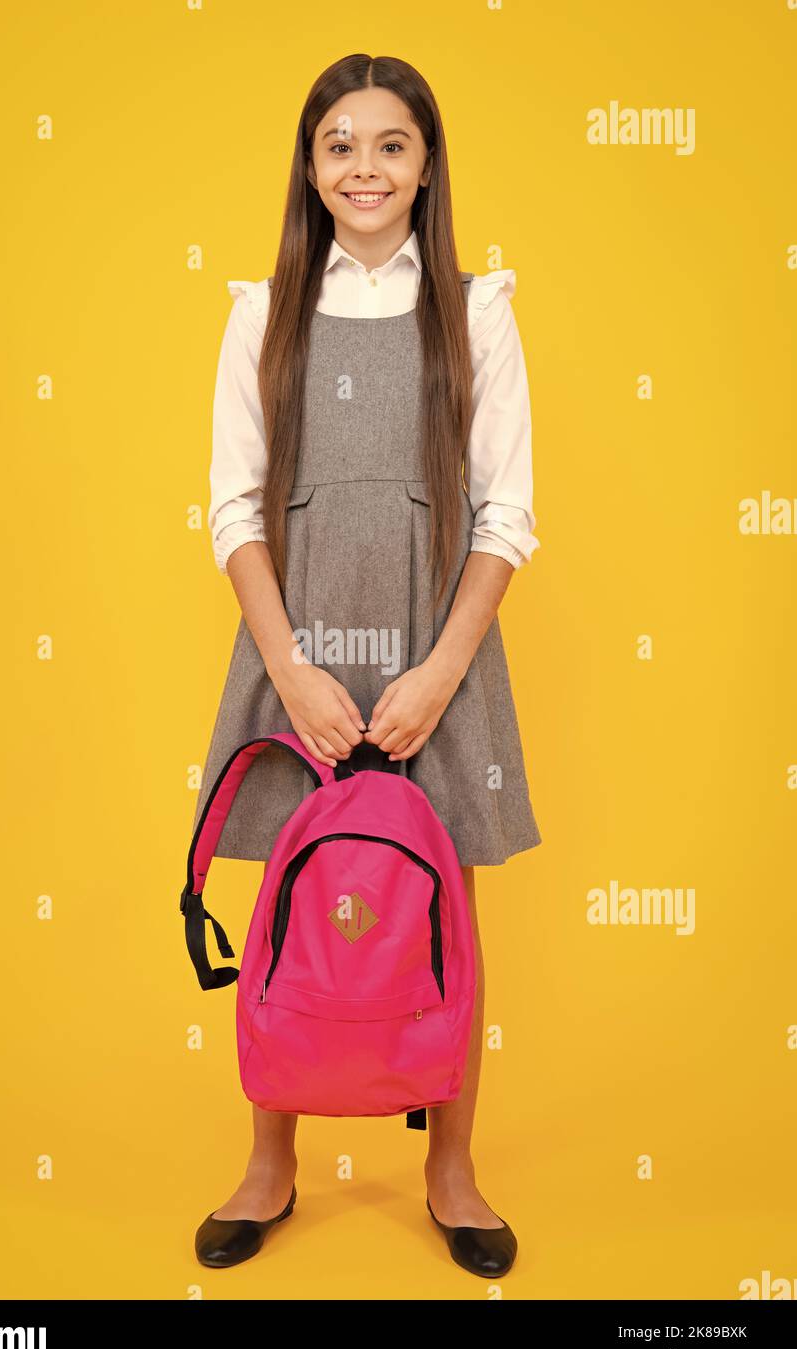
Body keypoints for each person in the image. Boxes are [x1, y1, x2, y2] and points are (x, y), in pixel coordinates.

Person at [191, 52, 542, 1278]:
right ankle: (268, 1161)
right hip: (298, 641)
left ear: (425, 165)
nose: (364, 168)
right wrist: (286, 665)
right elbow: (233, 505)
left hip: (433, 639)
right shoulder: (262, 311)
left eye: (390, 144)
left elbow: (504, 515)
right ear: (308, 164)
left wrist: (443, 667)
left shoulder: (474, 307)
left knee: (444, 898)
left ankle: (449, 1169)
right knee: (293, 889)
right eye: (339, 144)